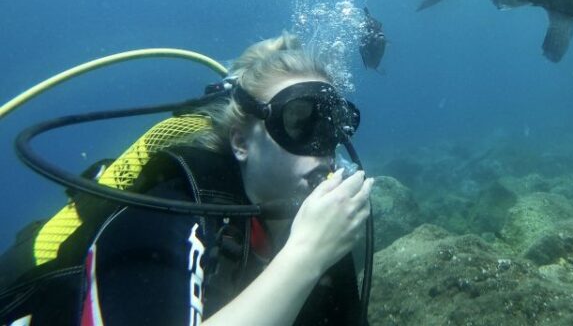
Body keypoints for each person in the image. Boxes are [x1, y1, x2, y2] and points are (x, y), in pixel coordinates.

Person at [2, 32, 373, 325]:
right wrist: (307, 256)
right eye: (298, 121)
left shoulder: (315, 227)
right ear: (241, 142)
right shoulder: (169, 212)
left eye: (330, 125)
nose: (321, 147)